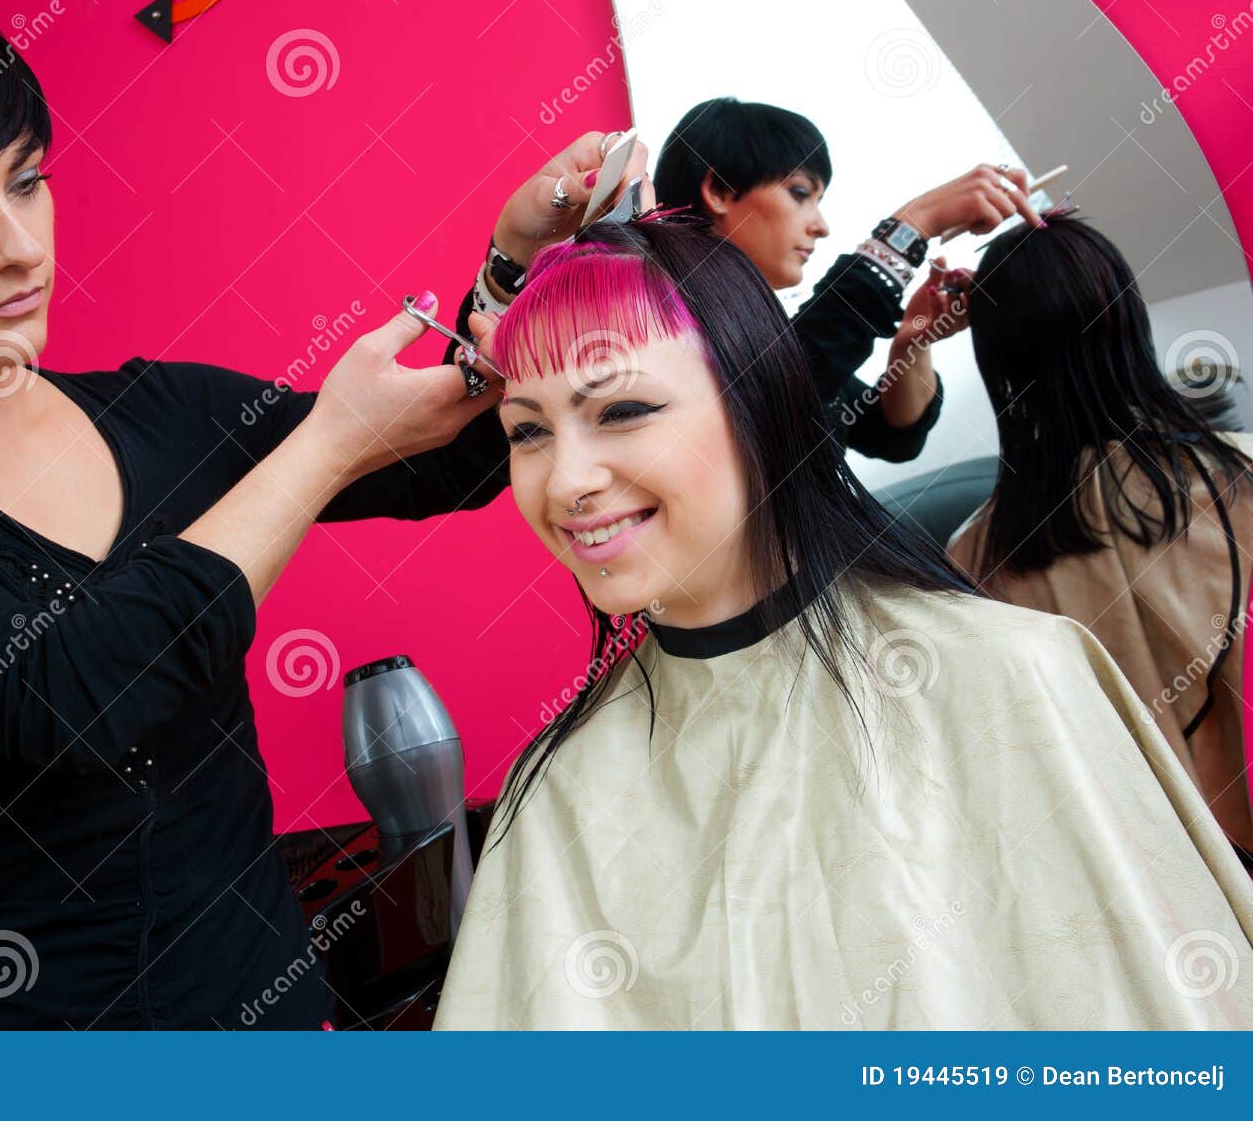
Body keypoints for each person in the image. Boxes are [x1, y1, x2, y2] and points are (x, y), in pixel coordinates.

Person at [0, 0, 602, 1029]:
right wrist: (324, 446)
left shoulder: (162, 412)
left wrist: (512, 266)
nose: (20, 246)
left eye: (27, 181)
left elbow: (451, 456)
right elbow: (74, 695)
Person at [432, 215, 1253, 1029]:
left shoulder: (1009, 673)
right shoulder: (558, 790)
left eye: (622, 410)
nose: (565, 482)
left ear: (759, 402)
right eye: (527, 430)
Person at [948, 214, 1253, 876]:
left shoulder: (970, 563)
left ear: (999, 361)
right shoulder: (1242, 476)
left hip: (1140, 882)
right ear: (1130, 323)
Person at [653, 97, 1041, 461]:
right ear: (720, 190)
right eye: (800, 193)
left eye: (817, 200)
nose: (821, 226)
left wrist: (913, 341)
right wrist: (916, 223)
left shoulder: (760, 329)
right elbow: (778, 396)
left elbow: (889, 435)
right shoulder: (660, 324)